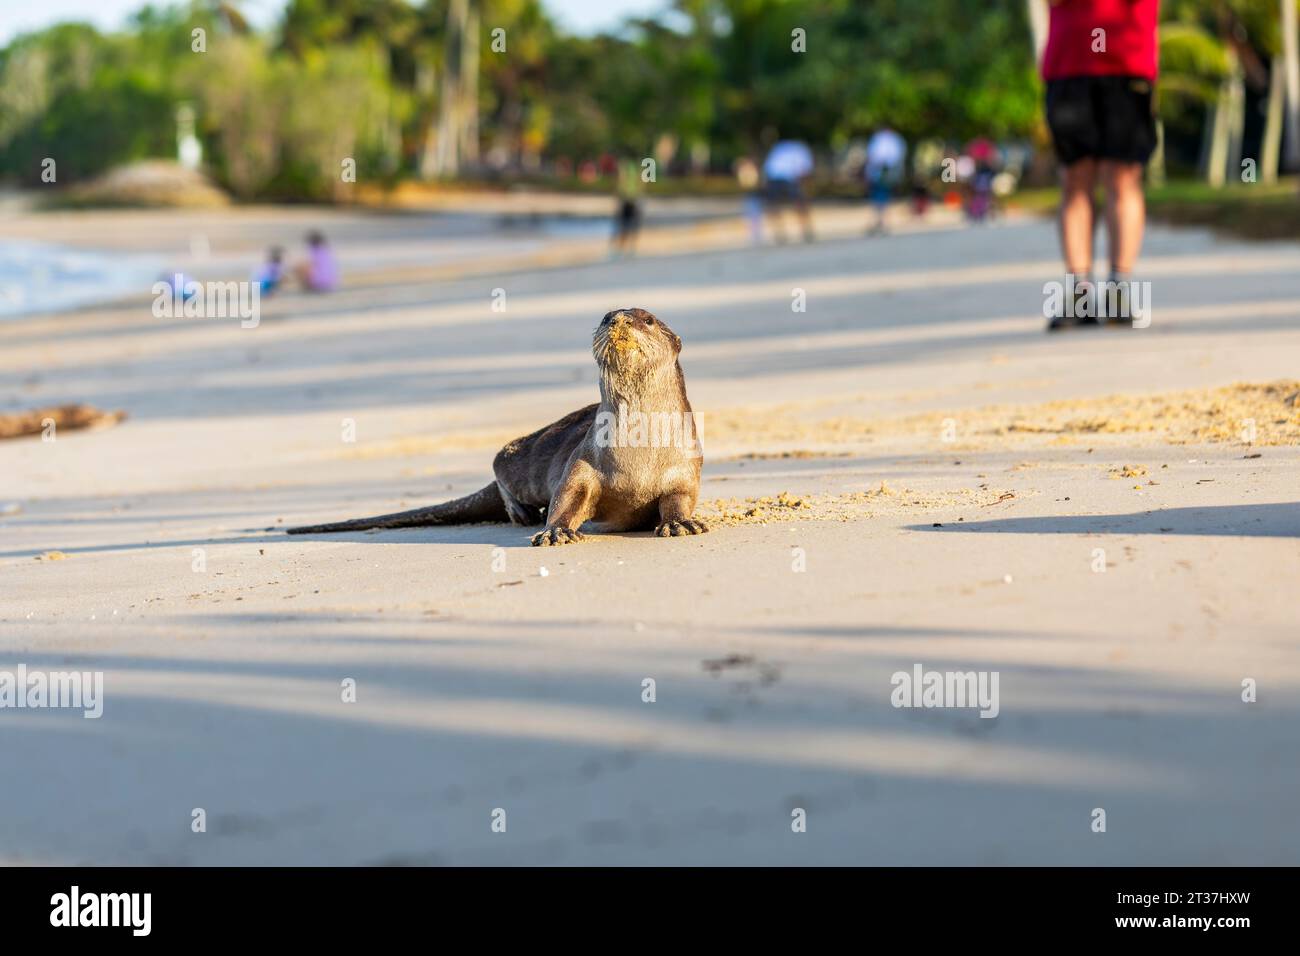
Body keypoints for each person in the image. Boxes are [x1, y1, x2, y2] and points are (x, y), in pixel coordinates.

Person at [1042, 0, 1160, 331]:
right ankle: (1079, 294)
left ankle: (1119, 289)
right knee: (1074, 179)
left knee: (1123, 178)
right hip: (1070, 62)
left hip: (1128, 60)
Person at [761, 138, 815, 243]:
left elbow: (768, 167)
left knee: (773, 206)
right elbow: (805, 169)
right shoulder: (801, 148)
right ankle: (805, 231)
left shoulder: (778, 148)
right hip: (789, 178)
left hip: (776, 178)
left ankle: (780, 233)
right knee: (799, 204)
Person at [863, 126, 907, 234]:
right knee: (880, 196)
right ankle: (880, 221)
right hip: (879, 171)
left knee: (881, 196)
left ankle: (881, 221)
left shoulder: (885, 139)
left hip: (884, 171)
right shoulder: (889, 139)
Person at [611, 158, 643, 258]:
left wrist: (618, 198)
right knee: (632, 224)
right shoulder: (638, 168)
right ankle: (630, 249)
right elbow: (640, 183)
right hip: (633, 199)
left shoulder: (624, 167)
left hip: (626, 198)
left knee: (623, 225)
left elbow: (622, 181)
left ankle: (620, 250)